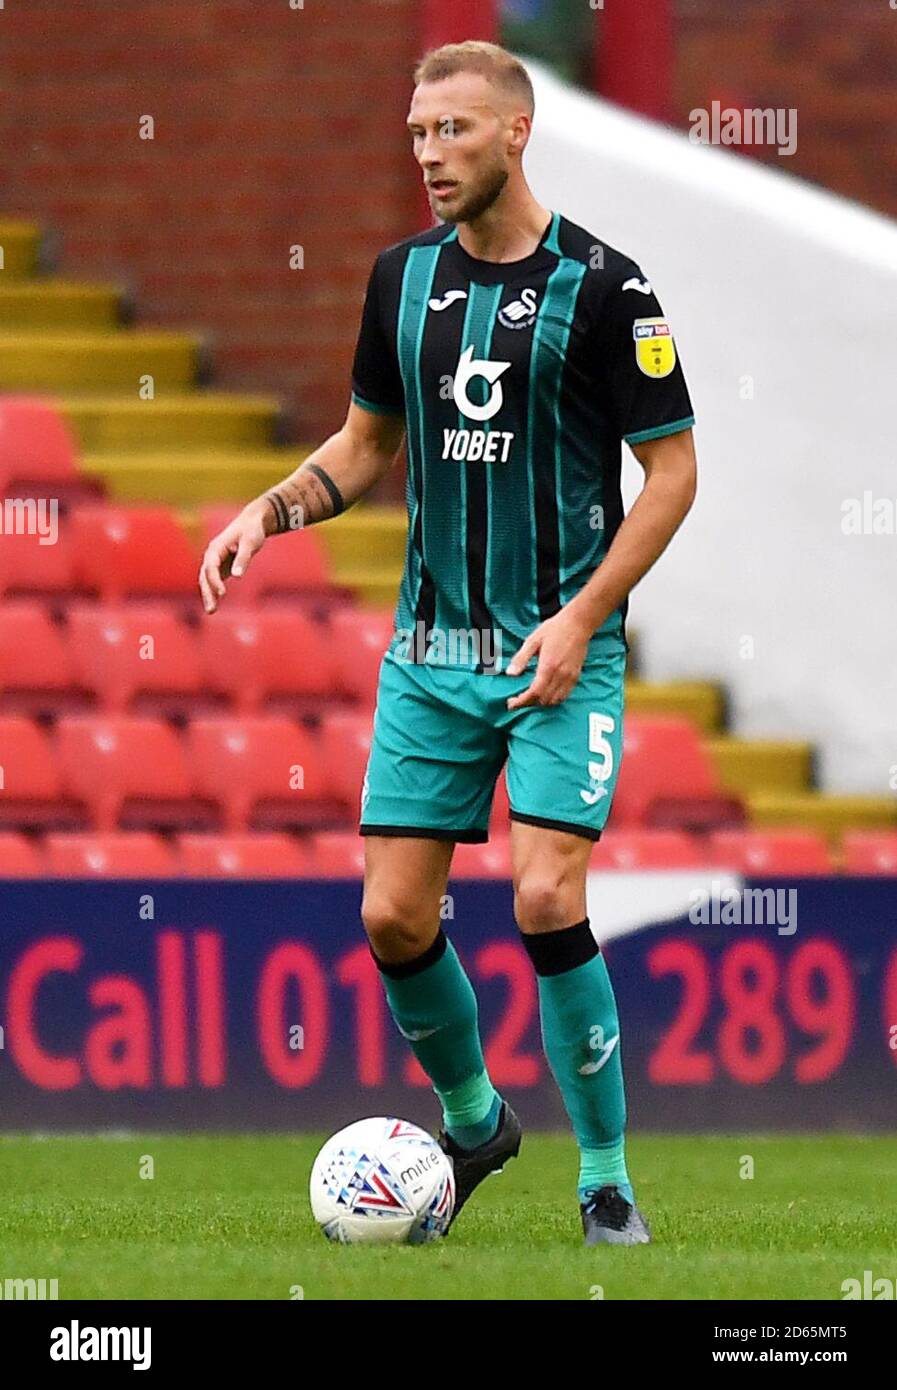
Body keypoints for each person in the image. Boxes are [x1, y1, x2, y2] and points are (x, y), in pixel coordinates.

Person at [199, 39, 697, 1246]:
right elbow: (370, 445)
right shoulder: (398, 281)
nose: (429, 155)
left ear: (516, 133)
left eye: (454, 132)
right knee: (393, 921)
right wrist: (266, 513)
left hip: (555, 651)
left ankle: (607, 1181)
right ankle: (475, 1124)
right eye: (418, 134)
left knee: (543, 891)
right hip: (431, 651)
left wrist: (585, 618)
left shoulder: (609, 287)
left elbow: (673, 475)